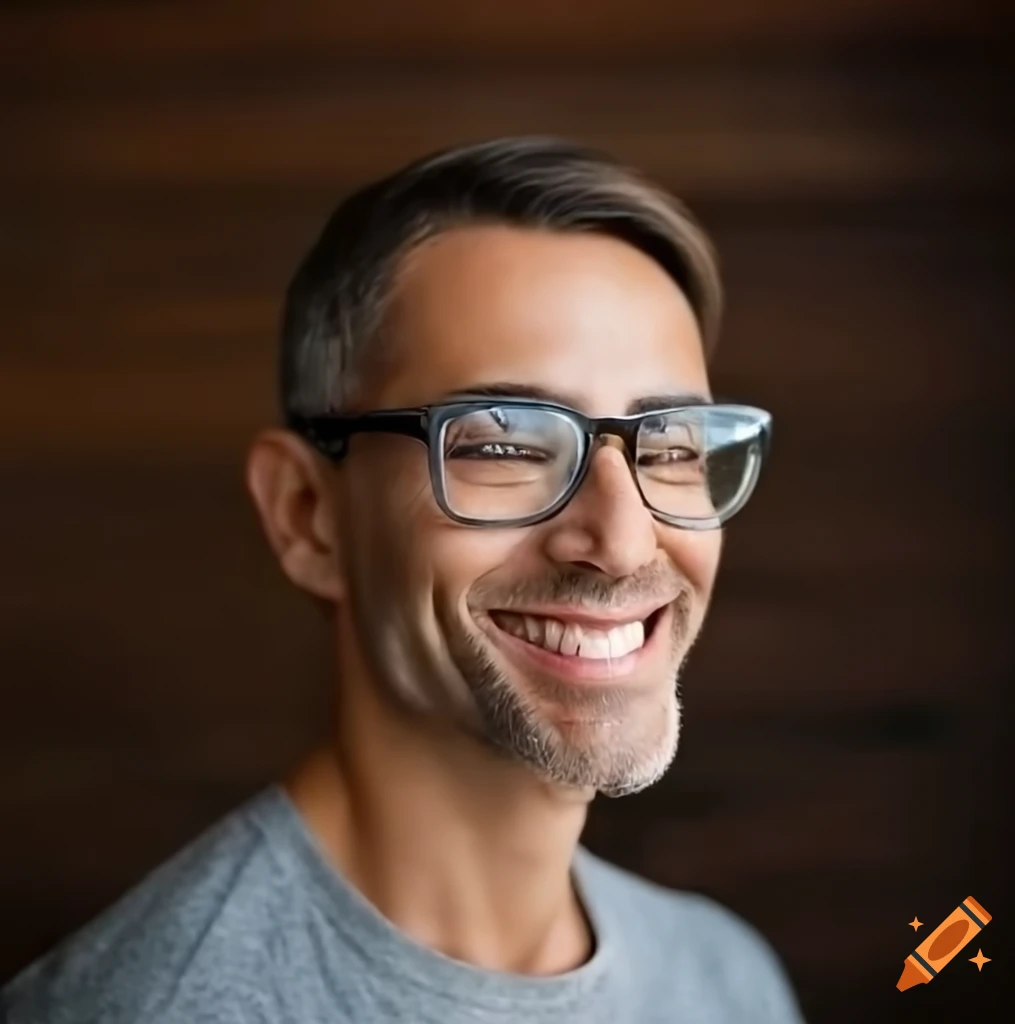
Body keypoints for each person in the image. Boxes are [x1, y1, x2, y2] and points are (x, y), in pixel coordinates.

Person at [2, 137, 805, 1023]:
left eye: (675, 446)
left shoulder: (726, 984)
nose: (620, 540)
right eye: (504, 443)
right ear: (308, 516)